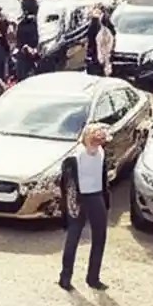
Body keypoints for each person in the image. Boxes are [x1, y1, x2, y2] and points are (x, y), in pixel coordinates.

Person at [58, 124, 111, 291]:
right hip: (80, 198)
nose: (98, 142)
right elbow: (67, 184)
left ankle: (92, 277)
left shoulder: (101, 153)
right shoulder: (75, 158)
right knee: (74, 236)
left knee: (99, 237)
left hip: (96, 196)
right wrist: (71, 204)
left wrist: (105, 198)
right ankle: (66, 277)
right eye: (95, 138)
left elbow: (103, 177)